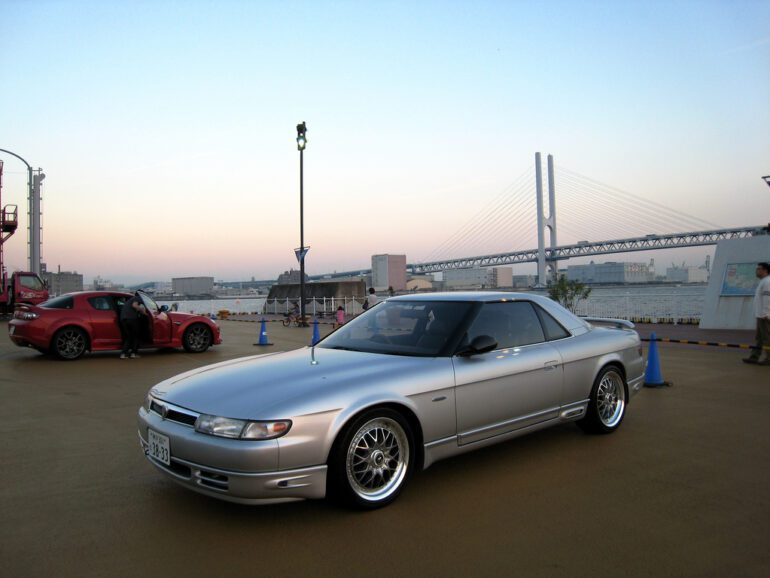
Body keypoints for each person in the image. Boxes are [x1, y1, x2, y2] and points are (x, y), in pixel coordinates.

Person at [743, 262, 770, 365]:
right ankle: (754, 356)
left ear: (765, 270)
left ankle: (769, 358)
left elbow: (768, 299)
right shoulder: (763, 281)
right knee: (759, 338)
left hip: (764, 316)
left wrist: (766, 313)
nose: (756, 271)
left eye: (759, 269)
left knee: (767, 338)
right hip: (760, 315)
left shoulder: (767, 282)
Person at [120, 292, 147, 359]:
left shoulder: (130, 299)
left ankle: (123, 354)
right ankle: (133, 354)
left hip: (124, 319)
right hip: (132, 319)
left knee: (128, 337)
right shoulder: (138, 298)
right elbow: (134, 305)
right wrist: (142, 311)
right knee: (136, 336)